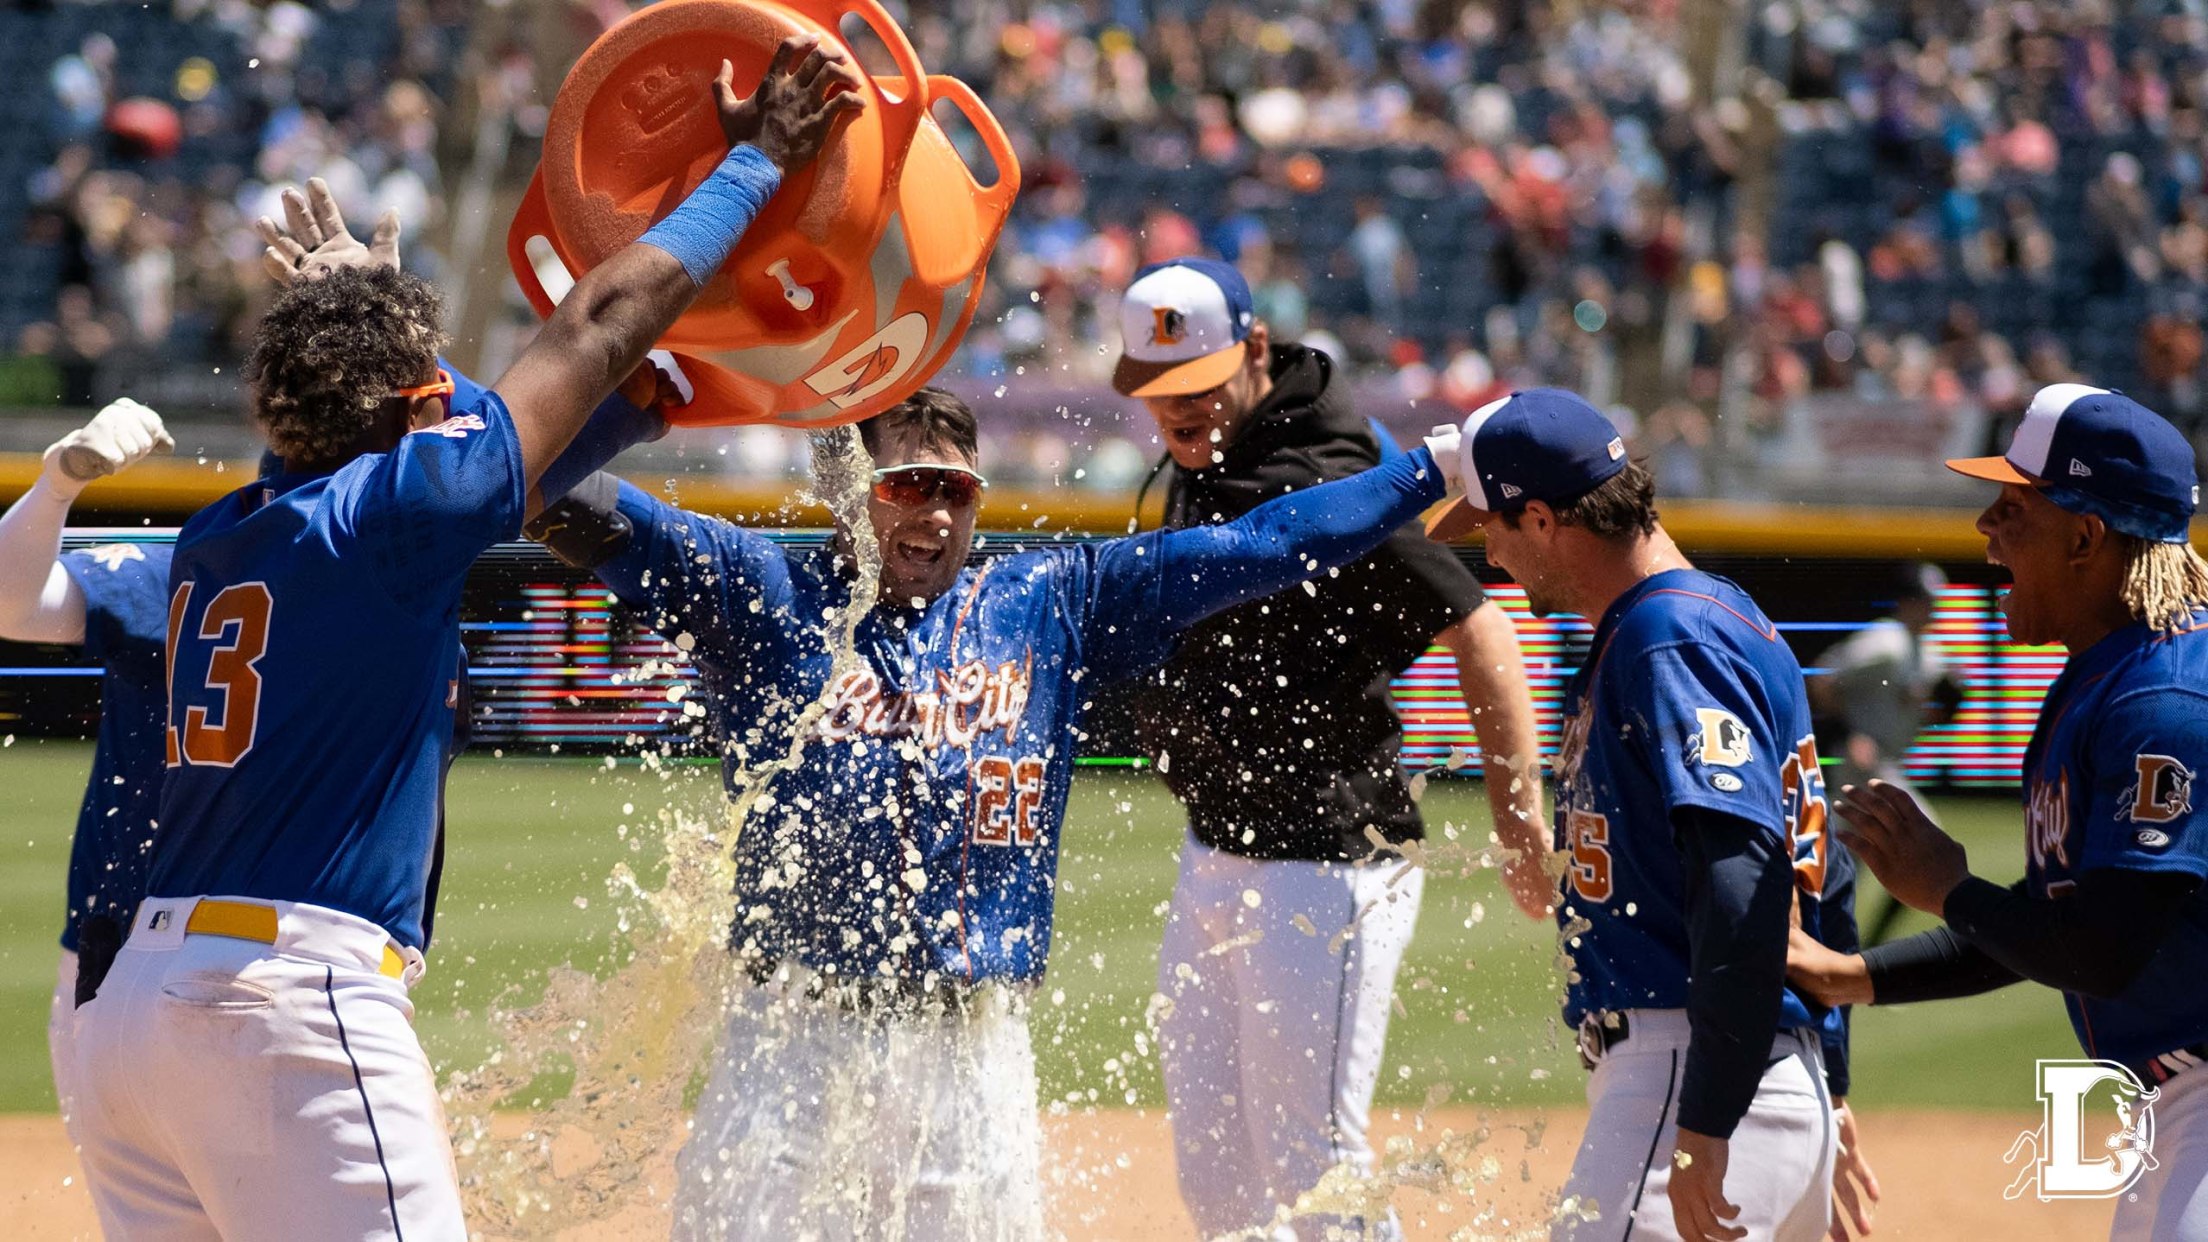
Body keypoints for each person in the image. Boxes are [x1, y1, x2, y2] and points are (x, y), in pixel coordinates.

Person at [66, 41, 861, 1240]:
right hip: (286, 1001)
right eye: (427, 388)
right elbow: (596, 323)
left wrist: (371, 324)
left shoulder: (224, 529)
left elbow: (440, 452)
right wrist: (755, 165)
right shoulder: (392, 517)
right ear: (403, 409)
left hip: (139, 1012)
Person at [540, 383, 1486, 1240]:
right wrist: (516, 400)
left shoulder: (1048, 605)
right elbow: (549, 486)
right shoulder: (762, 593)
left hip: (969, 1054)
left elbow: (1263, 545)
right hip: (790, 1040)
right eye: (908, 485)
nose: (936, 513)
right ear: (846, 485)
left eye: (957, 492)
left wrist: (1433, 466)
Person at [1108, 256, 1545, 1240]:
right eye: (1158, 387)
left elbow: (1483, 627)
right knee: (1216, 1173)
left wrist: (1521, 826)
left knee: (1314, 1171)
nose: (1177, 406)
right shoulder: (1214, 457)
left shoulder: (1325, 477)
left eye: (1196, 380)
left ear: (1255, 348)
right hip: (1216, 847)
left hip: (1327, 862)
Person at [1788, 383, 2208, 1241]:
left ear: (2086, 537)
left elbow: (2100, 951)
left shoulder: (2164, 698)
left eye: (2014, 507)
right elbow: (2055, 919)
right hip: (2175, 1101)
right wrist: (1858, 976)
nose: (1985, 525)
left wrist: (1948, 887)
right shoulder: (2106, 678)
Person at [1426, 389, 1839, 1241]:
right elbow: (1823, 875)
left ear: (1542, 519)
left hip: (1694, 1072)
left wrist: (1710, 1116)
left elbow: (1746, 887)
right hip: (1746, 1074)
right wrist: (1829, 1081)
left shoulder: (1669, 637)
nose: (1489, 551)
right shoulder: (1709, 619)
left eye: (1492, 526)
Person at [0, 398, 172, 1154]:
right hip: (137, 959)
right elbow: (12, 603)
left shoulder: (199, 562)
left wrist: (57, 487)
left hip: (124, 961)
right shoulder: (199, 561)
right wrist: (56, 486)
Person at [1809, 562, 1961, 944]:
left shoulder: (1928, 651)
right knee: (1927, 838)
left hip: (1885, 763)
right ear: (1907, 602)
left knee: (1844, 864)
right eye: (1927, 601)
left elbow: (1934, 704)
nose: (1933, 609)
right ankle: (1861, 947)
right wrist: (1850, 732)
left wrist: (1943, 704)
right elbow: (1823, 679)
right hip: (1862, 763)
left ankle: (1841, 948)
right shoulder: (1884, 641)